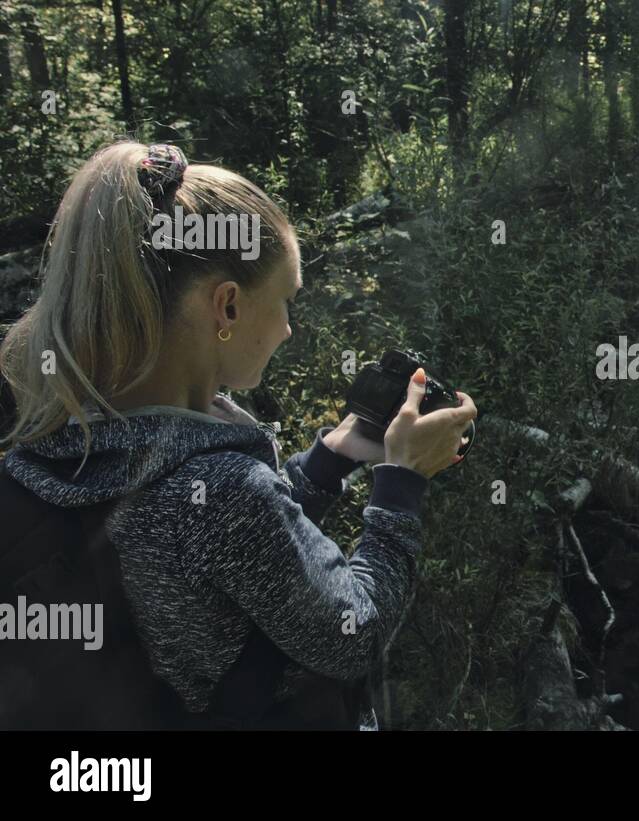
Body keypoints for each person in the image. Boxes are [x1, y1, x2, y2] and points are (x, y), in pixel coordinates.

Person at [0, 141, 476, 729]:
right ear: (226, 306)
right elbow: (355, 631)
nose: (287, 327)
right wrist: (402, 486)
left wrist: (327, 463)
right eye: (284, 301)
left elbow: (226, 565)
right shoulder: (224, 490)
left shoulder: (59, 442)